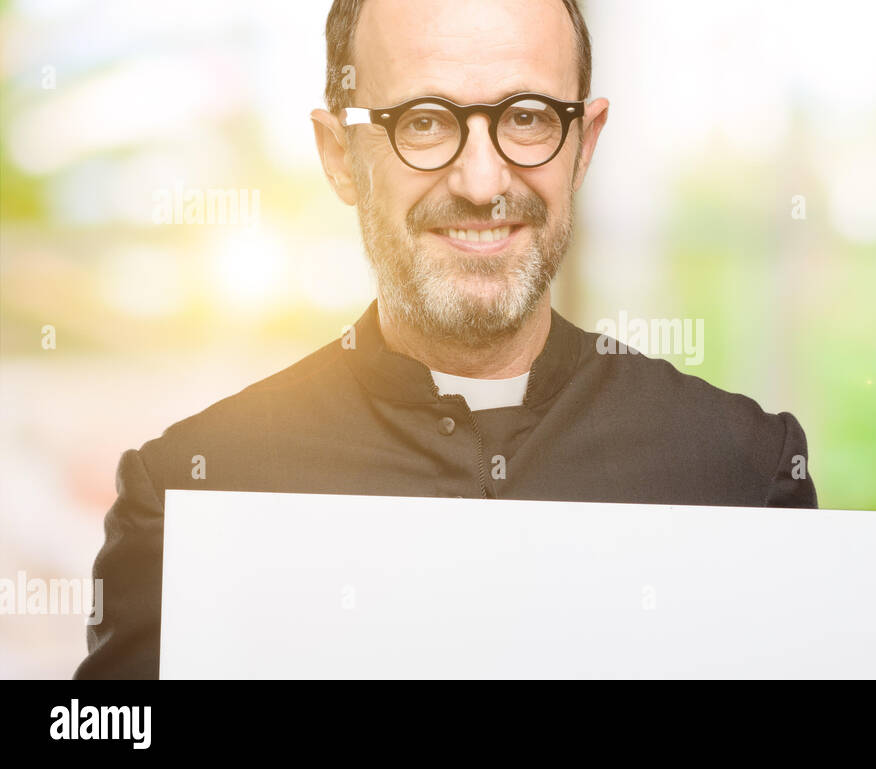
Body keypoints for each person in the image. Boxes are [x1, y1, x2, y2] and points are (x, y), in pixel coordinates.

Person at [74, 0, 816, 679]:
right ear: (340, 155)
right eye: (424, 120)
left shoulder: (742, 475)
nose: (482, 178)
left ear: (584, 144)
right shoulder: (188, 496)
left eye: (527, 116)